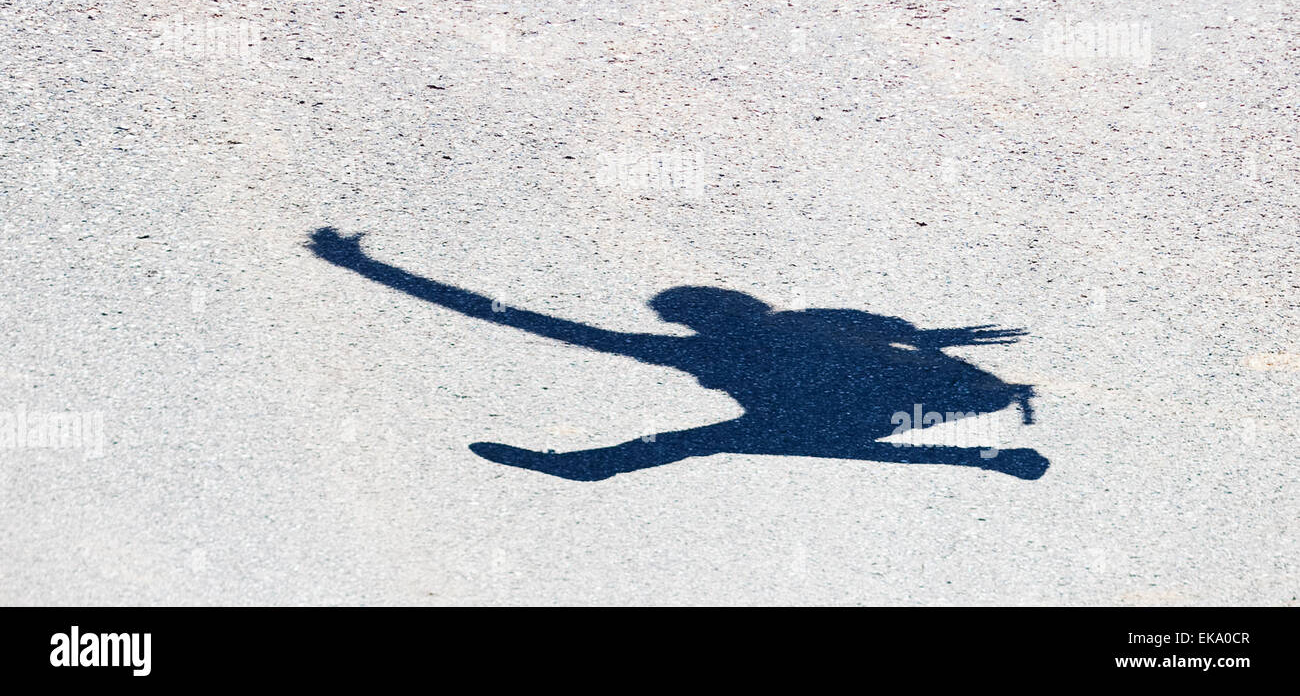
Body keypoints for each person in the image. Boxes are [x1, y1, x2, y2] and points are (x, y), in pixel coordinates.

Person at [309, 227, 1048, 480]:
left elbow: (890, 330)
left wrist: (943, 346)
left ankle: (586, 468)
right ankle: (586, 468)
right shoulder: (720, 350)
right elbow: (526, 321)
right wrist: (366, 268)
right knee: (710, 442)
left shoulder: (783, 328)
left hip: (901, 405)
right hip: (852, 418)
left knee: (722, 441)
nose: (732, 312)